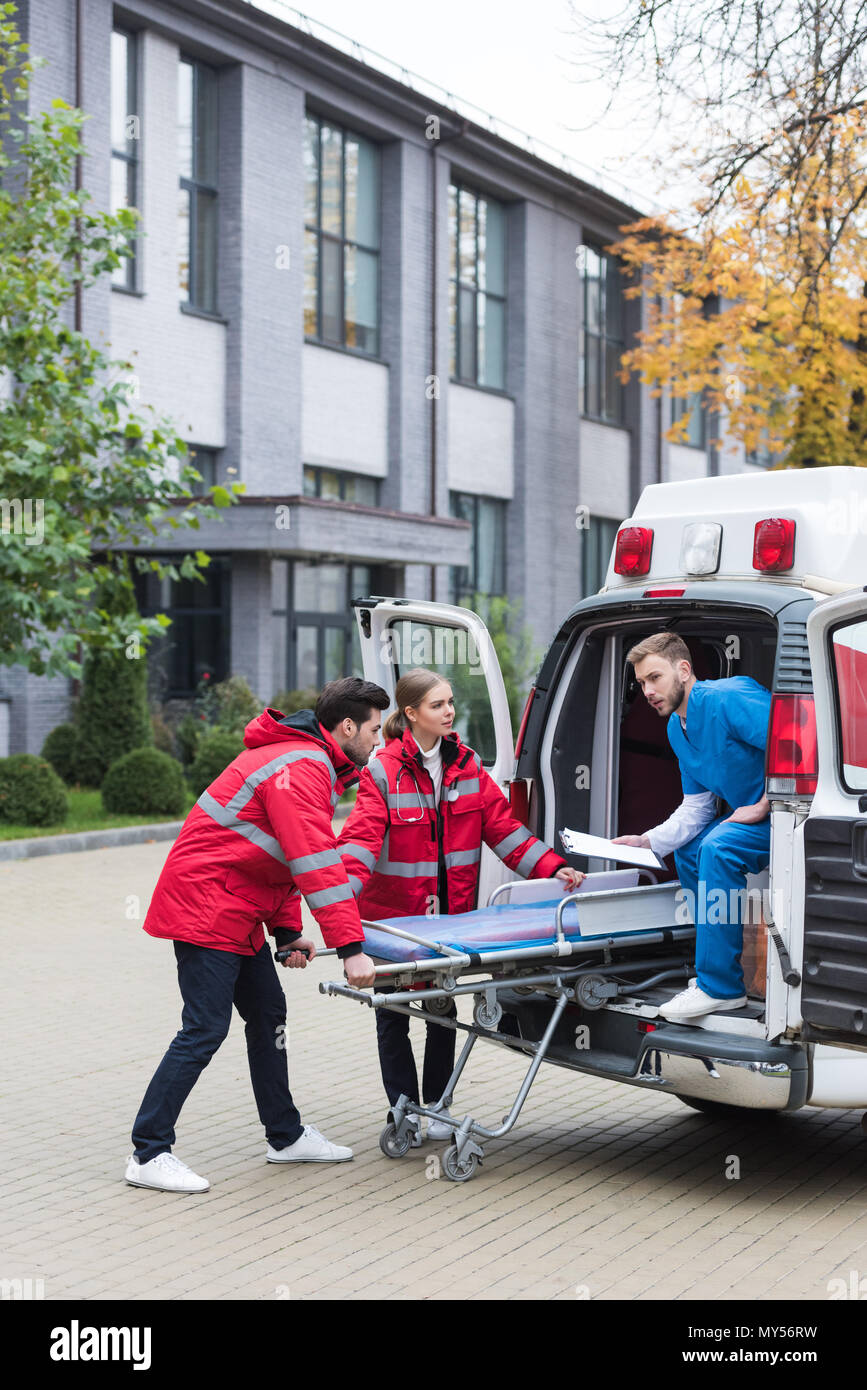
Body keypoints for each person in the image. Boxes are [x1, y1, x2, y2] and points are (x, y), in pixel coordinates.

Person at [125, 677, 386, 1194]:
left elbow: (283, 859)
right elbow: (315, 862)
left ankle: (285, 1137)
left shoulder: (307, 762)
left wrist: (288, 932)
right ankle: (148, 1152)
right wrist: (352, 948)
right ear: (348, 726)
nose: (377, 742)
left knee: (268, 1013)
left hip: (235, 908)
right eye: (375, 730)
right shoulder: (301, 767)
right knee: (204, 1029)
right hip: (209, 908)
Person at [337, 667, 584, 1141]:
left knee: (442, 1015)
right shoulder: (381, 771)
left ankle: (438, 1108)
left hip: (449, 924)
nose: (449, 711)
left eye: (450, 702)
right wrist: (338, 904)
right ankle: (404, 1110)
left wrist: (553, 867)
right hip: (397, 926)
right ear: (410, 714)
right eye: (437, 705)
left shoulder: (467, 766)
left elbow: (506, 831)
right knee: (393, 1017)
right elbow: (360, 844)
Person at [613, 632, 771, 1022]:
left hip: (792, 813)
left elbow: (802, 743)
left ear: (684, 669)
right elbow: (697, 808)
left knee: (718, 847)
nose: (647, 691)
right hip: (751, 818)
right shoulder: (676, 729)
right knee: (689, 848)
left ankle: (721, 988)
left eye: (655, 678)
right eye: (641, 683)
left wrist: (764, 803)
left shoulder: (728, 699)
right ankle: (712, 968)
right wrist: (647, 840)